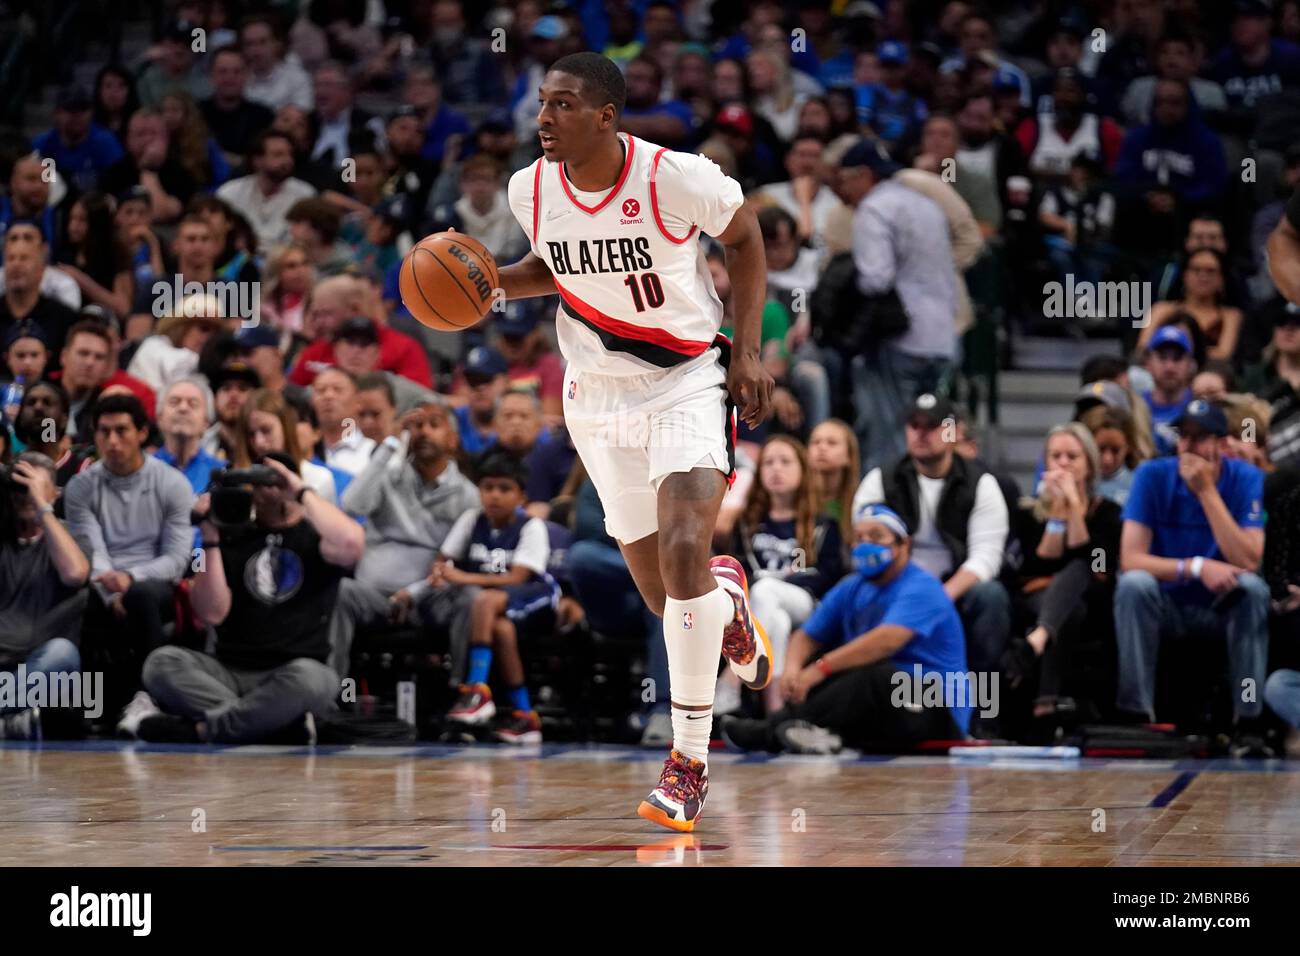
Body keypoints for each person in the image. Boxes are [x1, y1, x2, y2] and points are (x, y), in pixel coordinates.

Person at [489, 52, 774, 831]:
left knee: (684, 553)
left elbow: (746, 241)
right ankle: (729, 606)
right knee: (666, 598)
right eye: (543, 104)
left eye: (565, 105)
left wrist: (747, 350)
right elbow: (556, 269)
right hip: (596, 399)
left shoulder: (674, 177)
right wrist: (487, 281)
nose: (545, 118)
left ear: (607, 116)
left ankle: (688, 763)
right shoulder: (529, 189)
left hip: (685, 381)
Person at [136, 451, 362, 743]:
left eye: (274, 483)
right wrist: (210, 539)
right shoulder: (229, 537)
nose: (267, 491)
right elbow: (211, 613)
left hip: (294, 672)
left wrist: (300, 490)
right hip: (229, 671)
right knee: (160, 663)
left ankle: (202, 730)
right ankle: (276, 726)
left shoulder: (317, 537)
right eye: (259, 484)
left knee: (314, 680)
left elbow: (353, 543)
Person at [719, 503, 970, 755]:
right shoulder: (852, 586)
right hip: (886, 711)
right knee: (831, 676)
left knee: (872, 676)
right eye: (860, 537)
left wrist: (820, 669)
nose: (865, 543)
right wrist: (794, 670)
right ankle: (820, 734)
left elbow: (885, 642)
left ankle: (770, 732)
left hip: (935, 707)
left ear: (904, 544)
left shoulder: (923, 587)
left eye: (876, 536)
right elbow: (806, 636)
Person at [1115, 398, 1271, 756]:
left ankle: (1248, 722)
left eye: (1201, 438)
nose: (1190, 446)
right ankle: (1137, 717)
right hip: (1167, 603)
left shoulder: (1246, 478)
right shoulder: (1151, 475)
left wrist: (1206, 492)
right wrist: (1197, 566)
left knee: (1253, 590)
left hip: (1218, 607)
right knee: (1133, 585)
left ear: (1221, 443)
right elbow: (1131, 558)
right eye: (1185, 436)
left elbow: (1248, 558)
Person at [852, 393, 1011, 711]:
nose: (921, 433)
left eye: (932, 425)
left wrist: (939, 595)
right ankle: (866, 705)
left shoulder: (981, 483)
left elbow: (987, 557)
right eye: (914, 425)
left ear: (952, 432)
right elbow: (863, 544)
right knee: (855, 591)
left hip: (954, 587)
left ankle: (983, 711)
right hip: (895, 584)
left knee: (991, 596)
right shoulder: (881, 479)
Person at [63, 394, 192, 729]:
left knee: (142, 596)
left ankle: (147, 696)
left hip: (155, 581)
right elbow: (90, 551)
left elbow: (178, 559)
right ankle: (89, 706)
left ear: (143, 433)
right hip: (102, 581)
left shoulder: (173, 483)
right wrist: (111, 589)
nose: (112, 441)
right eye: (104, 432)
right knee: (81, 595)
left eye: (122, 430)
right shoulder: (80, 487)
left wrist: (129, 579)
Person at [330, 402, 478, 677]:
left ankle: (463, 692)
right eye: (417, 425)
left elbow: (457, 561)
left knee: (471, 598)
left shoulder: (468, 496)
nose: (423, 432)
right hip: (374, 597)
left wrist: (413, 592)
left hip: (430, 599)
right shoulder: (387, 476)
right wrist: (389, 445)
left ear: (453, 440)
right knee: (340, 591)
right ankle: (330, 693)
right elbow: (351, 507)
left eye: (434, 425)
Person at [835, 139, 957, 471]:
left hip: (903, 339)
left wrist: (846, 281)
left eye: (845, 179)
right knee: (933, 441)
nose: (842, 189)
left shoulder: (874, 208)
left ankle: (887, 515)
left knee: (890, 438)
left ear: (863, 175)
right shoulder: (926, 204)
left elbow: (876, 278)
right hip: (944, 339)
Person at [433, 450, 556, 745]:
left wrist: (462, 577)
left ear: (521, 496)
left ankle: (476, 689)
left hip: (536, 598)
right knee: (501, 629)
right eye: (488, 488)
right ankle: (526, 717)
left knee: (484, 600)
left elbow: (518, 578)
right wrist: (440, 572)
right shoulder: (472, 520)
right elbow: (443, 560)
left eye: (504, 489)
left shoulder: (531, 526)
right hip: (498, 606)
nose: (495, 496)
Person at [1004, 424, 1122, 726]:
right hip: (1037, 598)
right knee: (1068, 602)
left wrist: (1075, 511)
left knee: (1079, 572)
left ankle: (1038, 641)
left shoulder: (1107, 512)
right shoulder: (1027, 513)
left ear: (1090, 465)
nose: (1064, 463)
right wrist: (1057, 514)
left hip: (1092, 602)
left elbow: (1098, 567)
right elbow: (1035, 565)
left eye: (1073, 456)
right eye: (1056, 456)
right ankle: (1047, 699)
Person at [723, 436, 844, 713]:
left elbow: (827, 576)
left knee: (767, 590)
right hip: (758, 605)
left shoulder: (823, 524)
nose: (776, 469)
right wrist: (770, 580)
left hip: (807, 604)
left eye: (785, 462)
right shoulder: (747, 524)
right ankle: (775, 711)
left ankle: (734, 676)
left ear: (803, 469)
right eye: (768, 463)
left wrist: (776, 580)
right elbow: (738, 573)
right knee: (774, 618)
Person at [0, 451, 90, 740]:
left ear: (56, 493)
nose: (27, 495)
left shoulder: (73, 536)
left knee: (63, 654)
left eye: (36, 487)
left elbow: (75, 573)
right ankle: (10, 722)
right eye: (21, 487)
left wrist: (42, 507)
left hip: (40, 670)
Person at [214, 130, 316, 252]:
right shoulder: (230, 193)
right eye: (278, 155)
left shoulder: (305, 195)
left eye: (290, 155)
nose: (288, 161)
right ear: (257, 160)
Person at [1138, 249, 1244, 361]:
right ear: (1184, 275)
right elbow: (1143, 348)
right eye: (1196, 270)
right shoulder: (1161, 309)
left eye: (1211, 271)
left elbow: (1223, 354)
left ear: (1221, 279)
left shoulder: (1231, 315)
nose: (1203, 276)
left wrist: (1175, 350)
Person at [33, 84, 125, 195]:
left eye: (83, 109)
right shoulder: (42, 144)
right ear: (56, 114)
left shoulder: (105, 143)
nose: (77, 115)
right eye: (70, 109)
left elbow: (118, 185)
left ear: (91, 113)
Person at [199, 45, 276, 169]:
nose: (230, 78)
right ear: (211, 76)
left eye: (237, 71)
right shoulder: (196, 113)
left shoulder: (264, 116)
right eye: (223, 71)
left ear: (247, 75)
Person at [154, 376, 223, 496]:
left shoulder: (222, 472)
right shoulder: (141, 471)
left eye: (193, 404)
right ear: (160, 418)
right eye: (174, 402)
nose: (183, 408)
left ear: (206, 422)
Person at [1142, 324, 1198, 456]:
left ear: (1190, 364)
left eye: (1177, 358)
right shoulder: (1135, 408)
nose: (1169, 367)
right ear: (1148, 364)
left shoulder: (1200, 408)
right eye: (1162, 357)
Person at [309, 366, 375, 477]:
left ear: (357, 400)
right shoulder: (304, 448)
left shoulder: (373, 452)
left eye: (338, 389)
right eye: (321, 390)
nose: (328, 396)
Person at [1079, 404, 1145, 507]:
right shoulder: (1076, 482)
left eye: (1116, 450)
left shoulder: (1140, 485)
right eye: (1100, 449)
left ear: (1129, 447)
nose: (1107, 459)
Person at [453, 345, 508, 455]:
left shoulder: (521, 421)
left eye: (486, 380)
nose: (480, 388)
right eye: (473, 381)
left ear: (505, 382)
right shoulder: (452, 421)